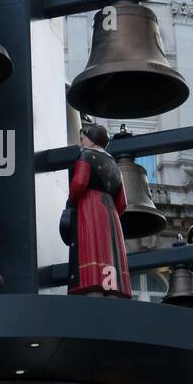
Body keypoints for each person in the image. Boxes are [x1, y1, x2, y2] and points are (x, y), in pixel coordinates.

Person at [65, 123, 132, 297]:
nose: (80, 143)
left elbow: (79, 184)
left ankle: (93, 288)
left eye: (82, 139)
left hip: (90, 207)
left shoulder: (86, 156)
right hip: (110, 214)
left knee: (91, 255)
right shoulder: (115, 164)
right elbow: (123, 203)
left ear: (91, 140)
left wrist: (71, 202)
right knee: (110, 255)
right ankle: (111, 291)